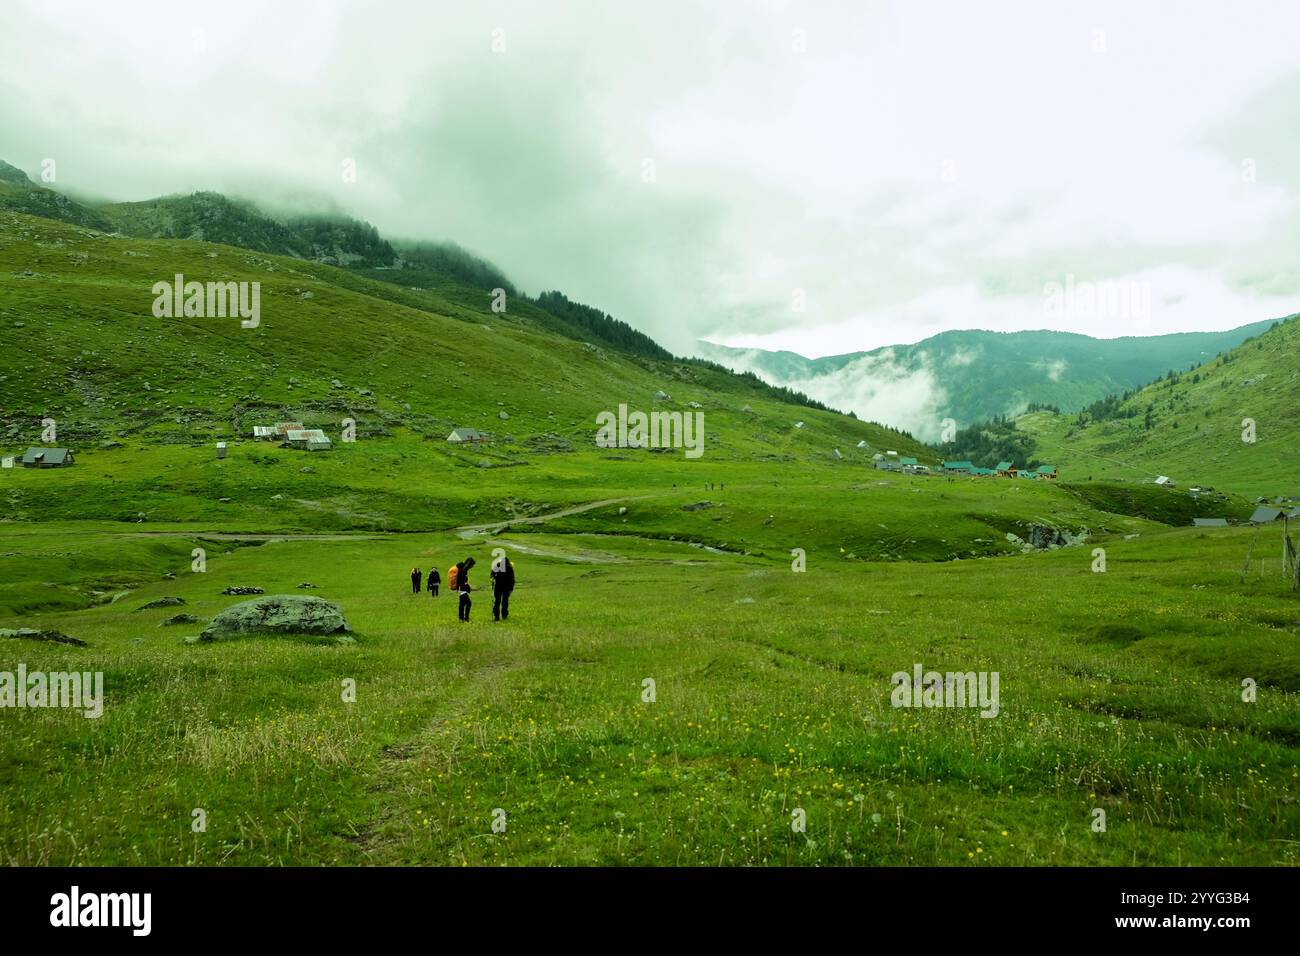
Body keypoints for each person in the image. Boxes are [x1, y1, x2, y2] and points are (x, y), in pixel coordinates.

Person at [491, 554, 516, 621]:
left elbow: (492, 574)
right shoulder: (509, 567)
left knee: (497, 601)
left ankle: (497, 616)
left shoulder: (499, 565)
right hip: (506, 588)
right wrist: (511, 588)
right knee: (504, 602)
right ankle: (504, 616)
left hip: (499, 587)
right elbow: (512, 579)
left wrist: (493, 578)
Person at [456, 556, 476, 622]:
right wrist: (469, 587)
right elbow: (462, 581)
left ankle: (461, 618)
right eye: (472, 565)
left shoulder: (463, 569)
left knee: (462, 604)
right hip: (461, 589)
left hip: (461, 589)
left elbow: (464, 581)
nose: (472, 567)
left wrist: (469, 587)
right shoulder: (462, 570)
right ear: (469, 564)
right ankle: (466, 618)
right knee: (468, 603)